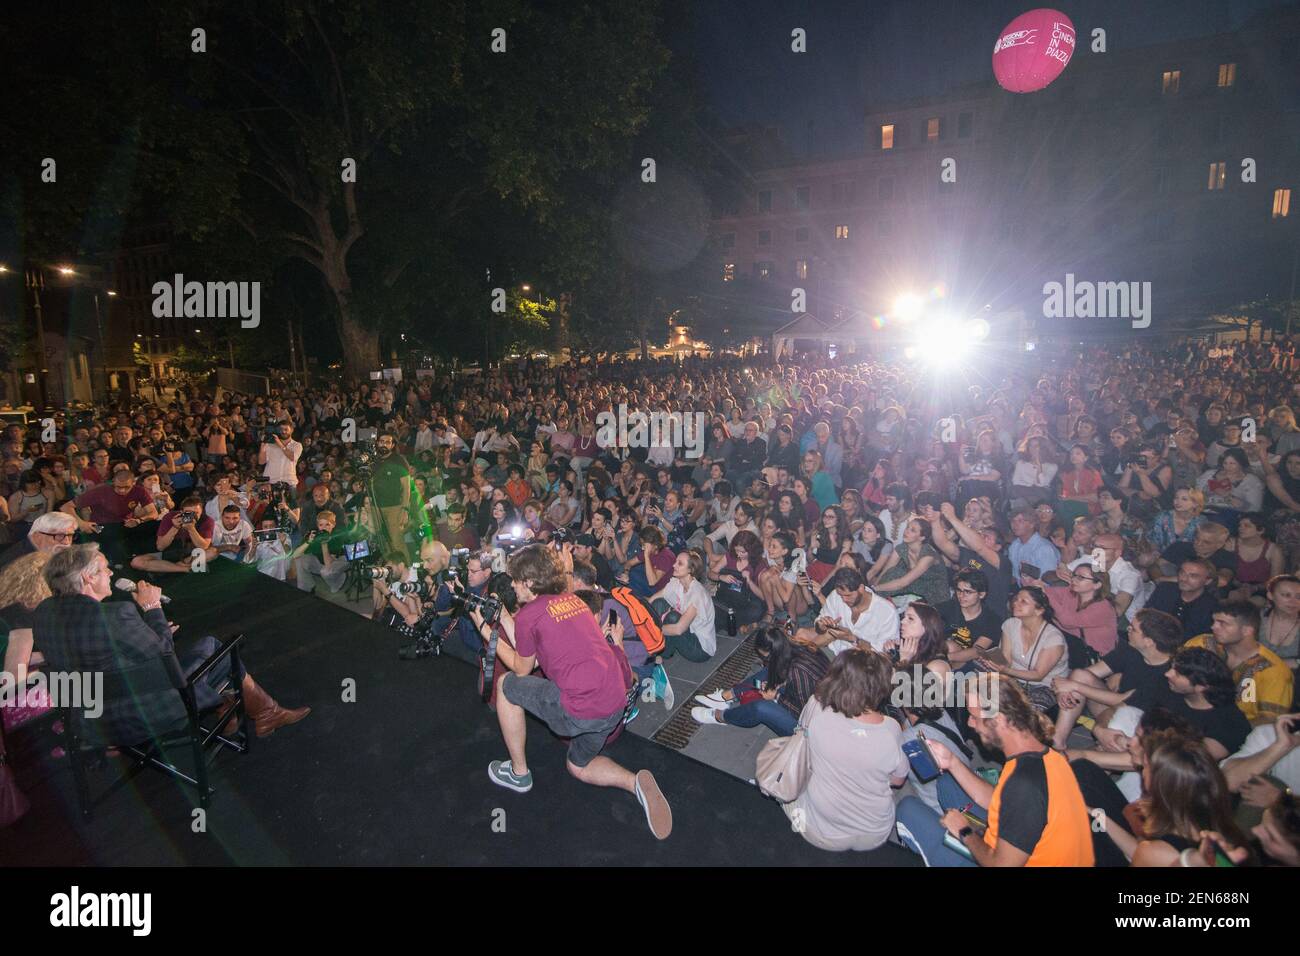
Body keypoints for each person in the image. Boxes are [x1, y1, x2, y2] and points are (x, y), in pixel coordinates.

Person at [481, 544, 671, 840]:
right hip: (613, 705)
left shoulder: (531, 613)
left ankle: (518, 773)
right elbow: (537, 631)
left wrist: (482, 625)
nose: (513, 585)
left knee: (507, 686)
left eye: (516, 580)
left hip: (579, 709)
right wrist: (505, 615)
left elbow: (521, 668)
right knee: (577, 766)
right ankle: (635, 783)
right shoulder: (572, 600)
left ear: (529, 583)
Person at [34, 544, 309, 740]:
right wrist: (153, 609)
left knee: (209, 650)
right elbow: (165, 657)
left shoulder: (44, 614)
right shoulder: (117, 615)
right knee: (219, 649)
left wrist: (149, 629)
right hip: (143, 712)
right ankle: (265, 713)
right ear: (88, 578)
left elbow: (99, 653)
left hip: (90, 719)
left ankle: (231, 710)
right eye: (105, 570)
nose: (110, 575)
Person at [895, 675, 1095, 866]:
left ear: (997, 720)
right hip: (1023, 843)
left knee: (907, 809)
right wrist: (952, 762)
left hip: (1001, 860)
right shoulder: (1042, 756)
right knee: (948, 782)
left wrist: (964, 831)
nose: (969, 724)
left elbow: (1000, 864)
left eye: (974, 717)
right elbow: (1001, 801)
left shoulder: (1023, 784)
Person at [780, 648, 909, 852]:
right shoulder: (891, 728)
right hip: (875, 834)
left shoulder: (817, 709)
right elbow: (898, 780)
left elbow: (802, 748)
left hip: (820, 832)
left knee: (784, 793)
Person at [1098, 731, 1251, 866]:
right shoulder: (1221, 827)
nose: (1142, 772)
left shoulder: (1156, 851)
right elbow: (1140, 851)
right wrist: (1098, 817)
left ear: (1159, 784)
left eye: (1145, 767)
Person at [1051, 608, 1185, 750]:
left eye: (1133, 629)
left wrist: (1073, 686)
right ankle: (1058, 741)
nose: (1127, 629)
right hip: (1115, 709)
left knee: (1078, 685)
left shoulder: (1168, 674)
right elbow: (1085, 675)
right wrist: (1064, 690)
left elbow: (1123, 701)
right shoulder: (1131, 650)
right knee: (1078, 675)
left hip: (1141, 727)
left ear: (1148, 641)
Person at [691, 623, 828, 733]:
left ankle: (720, 717)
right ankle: (727, 696)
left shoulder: (798, 672)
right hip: (813, 699)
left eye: (765, 657)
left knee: (760, 708)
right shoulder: (800, 647)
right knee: (770, 670)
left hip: (813, 728)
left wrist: (776, 697)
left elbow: (805, 713)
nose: (764, 660)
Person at [1184, 601, 1294, 726]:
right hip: (1189, 716)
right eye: (1214, 621)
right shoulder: (1201, 643)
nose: (1213, 627)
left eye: (1223, 623)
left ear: (1247, 631)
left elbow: (1270, 720)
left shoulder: (1274, 671)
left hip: (1237, 733)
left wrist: (1230, 730)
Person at [1163, 646, 1252, 759]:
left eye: (1178, 674)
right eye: (1172, 668)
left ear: (1201, 687)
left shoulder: (1231, 723)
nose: (1167, 674)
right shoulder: (1167, 692)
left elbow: (1192, 761)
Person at [992, 586, 1068, 711]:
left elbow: (1038, 675)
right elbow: (1006, 661)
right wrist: (993, 662)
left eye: (1023, 601)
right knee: (983, 695)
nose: (1016, 603)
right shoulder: (1010, 624)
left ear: (1039, 611)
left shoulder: (1053, 637)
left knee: (1024, 714)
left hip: (1045, 686)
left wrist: (1006, 670)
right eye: (1016, 599)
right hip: (1014, 680)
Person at [792, 567, 898, 656]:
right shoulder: (836, 595)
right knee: (801, 634)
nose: (844, 599)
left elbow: (885, 655)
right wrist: (821, 625)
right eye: (841, 595)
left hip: (861, 660)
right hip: (835, 648)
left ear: (861, 588)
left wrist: (852, 638)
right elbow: (819, 626)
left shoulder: (887, 612)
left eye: (848, 595)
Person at [655, 549, 716, 663]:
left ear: (690, 570)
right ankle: (655, 647)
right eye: (676, 561)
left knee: (673, 618)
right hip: (689, 633)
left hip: (700, 649)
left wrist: (653, 629)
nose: (674, 565)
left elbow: (679, 629)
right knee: (659, 603)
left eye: (680, 563)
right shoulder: (677, 582)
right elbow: (653, 600)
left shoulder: (697, 594)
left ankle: (661, 654)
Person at [129, 495, 216, 574]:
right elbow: (160, 547)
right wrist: (175, 527)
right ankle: (185, 569)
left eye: (196, 513)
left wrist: (191, 529)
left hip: (189, 554)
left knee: (212, 552)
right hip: (168, 552)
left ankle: (166, 568)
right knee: (137, 562)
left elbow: (203, 546)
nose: (192, 516)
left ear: (202, 512)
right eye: (188, 513)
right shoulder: (170, 517)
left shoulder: (207, 520)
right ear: (181, 511)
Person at [938, 569, 1003, 666]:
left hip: (976, 664)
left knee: (949, 646)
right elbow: (926, 615)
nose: (961, 595)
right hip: (946, 656)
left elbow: (976, 651)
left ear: (981, 594)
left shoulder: (992, 620)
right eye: (959, 590)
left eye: (967, 592)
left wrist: (943, 658)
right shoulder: (950, 607)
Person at [1147, 558, 1220, 639]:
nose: (1184, 579)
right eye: (1182, 573)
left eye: (1193, 576)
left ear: (1207, 581)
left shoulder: (1211, 607)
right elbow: (1145, 616)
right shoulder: (1165, 590)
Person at [291, 509, 351, 594]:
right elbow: (295, 555)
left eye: (327, 524)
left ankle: (339, 580)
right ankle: (306, 588)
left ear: (333, 525)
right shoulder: (314, 534)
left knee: (326, 572)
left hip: (339, 561)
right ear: (317, 526)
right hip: (321, 562)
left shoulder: (337, 536)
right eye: (321, 525)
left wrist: (324, 544)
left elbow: (328, 563)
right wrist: (308, 542)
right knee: (299, 559)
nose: (324, 528)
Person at [0, 512, 77, 572]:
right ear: (37, 536)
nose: (67, 542)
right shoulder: (17, 564)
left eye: (70, 535)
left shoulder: (47, 552)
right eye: (59, 535)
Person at [1259, 574, 1300, 668]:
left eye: (1298, 597)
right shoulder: (1257, 618)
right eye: (1286, 595)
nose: (1293, 601)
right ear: (1270, 595)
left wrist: (1295, 662)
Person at [258, 420, 302, 502]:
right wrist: (263, 445)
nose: (283, 431)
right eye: (281, 429)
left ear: (291, 430)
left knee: (291, 511)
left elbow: (292, 457)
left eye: (286, 429)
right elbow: (261, 462)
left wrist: (279, 443)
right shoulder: (270, 444)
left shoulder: (297, 445)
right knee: (269, 511)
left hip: (289, 483)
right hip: (270, 483)